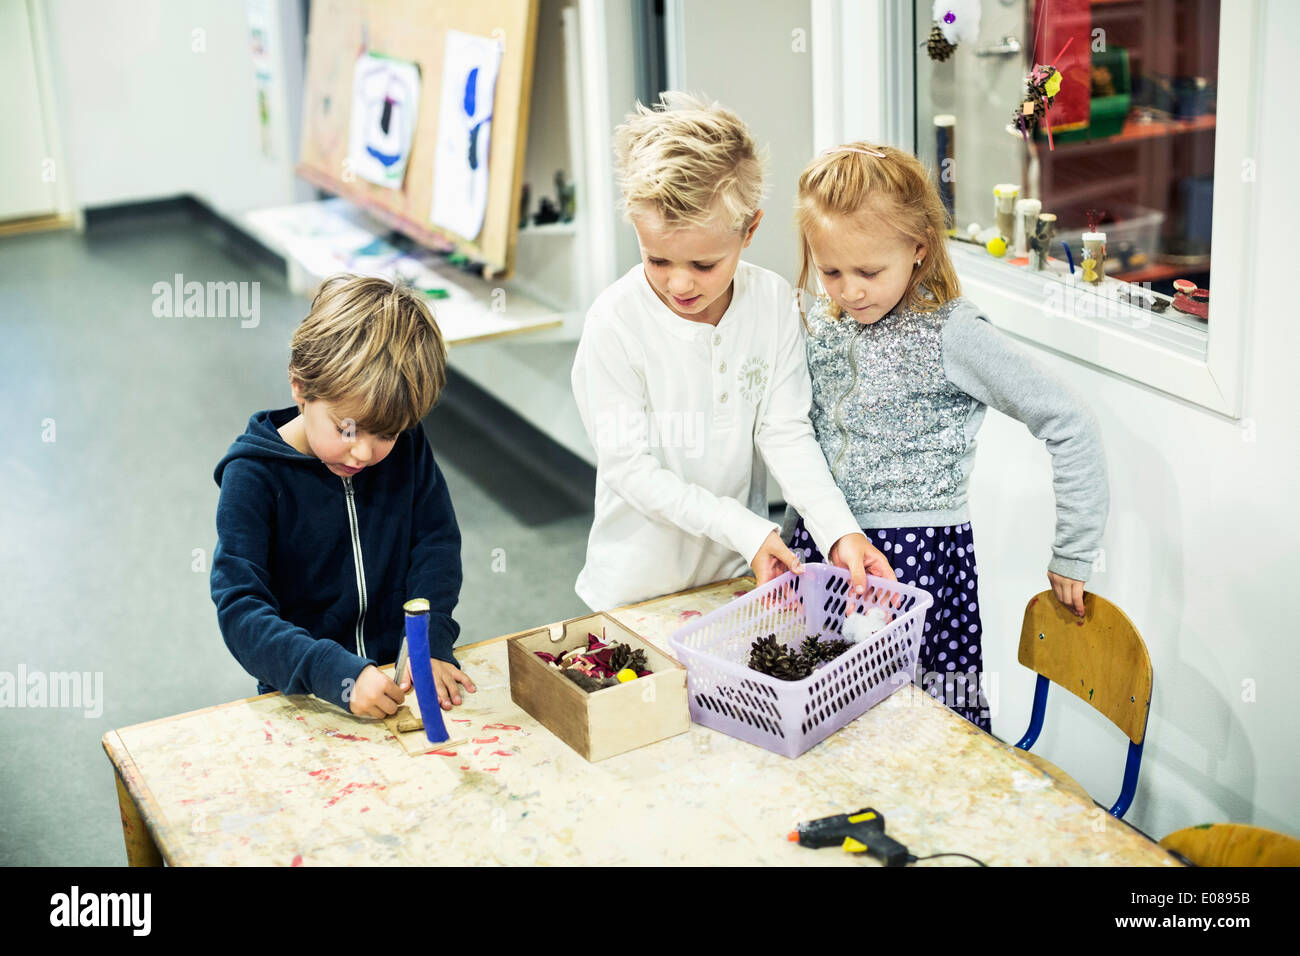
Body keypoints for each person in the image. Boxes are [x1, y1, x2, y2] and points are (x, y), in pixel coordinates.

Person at [786, 144, 1108, 731]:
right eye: (830, 271)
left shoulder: (953, 333)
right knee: (822, 730)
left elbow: (1069, 421)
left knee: (922, 734)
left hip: (917, 566)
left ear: (918, 249)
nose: (848, 291)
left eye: (868, 272)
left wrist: (1074, 551)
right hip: (824, 555)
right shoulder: (821, 322)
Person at [571, 92, 895, 612]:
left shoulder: (772, 303)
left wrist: (837, 530)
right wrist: (745, 528)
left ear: (751, 229)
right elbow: (629, 470)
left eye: (703, 264)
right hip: (633, 591)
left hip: (732, 579)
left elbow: (784, 430)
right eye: (658, 259)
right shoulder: (614, 323)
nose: (679, 283)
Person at [210, 274, 474, 719]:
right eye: (347, 429)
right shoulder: (253, 477)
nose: (365, 452)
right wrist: (333, 672)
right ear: (300, 387)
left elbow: (436, 543)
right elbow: (241, 610)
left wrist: (429, 639)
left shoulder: (406, 445)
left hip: (401, 675)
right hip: (306, 691)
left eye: (387, 433)